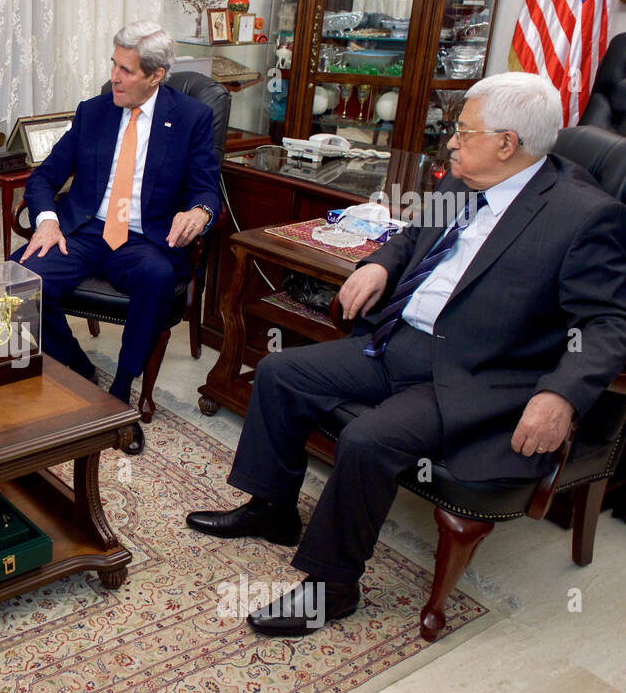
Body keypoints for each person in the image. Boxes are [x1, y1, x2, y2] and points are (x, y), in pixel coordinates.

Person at [186, 72, 626, 635]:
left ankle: (332, 586)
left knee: (368, 440)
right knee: (279, 372)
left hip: (472, 375)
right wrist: (378, 263)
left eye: (463, 133)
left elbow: (607, 323)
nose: (451, 144)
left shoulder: (582, 215)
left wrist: (560, 393)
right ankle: (272, 511)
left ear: (507, 143)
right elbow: (414, 238)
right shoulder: (465, 180)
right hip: (400, 341)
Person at [15, 20, 221, 454]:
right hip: (85, 230)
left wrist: (200, 211)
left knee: (158, 278)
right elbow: (43, 178)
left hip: (144, 238)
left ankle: (122, 392)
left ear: (156, 75)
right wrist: (48, 220)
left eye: (126, 70)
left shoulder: (191, 118)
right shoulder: (94, 111)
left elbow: (206, 187)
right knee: (18, 281)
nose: (115, 77)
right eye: (114, 64)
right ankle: (78, 369)